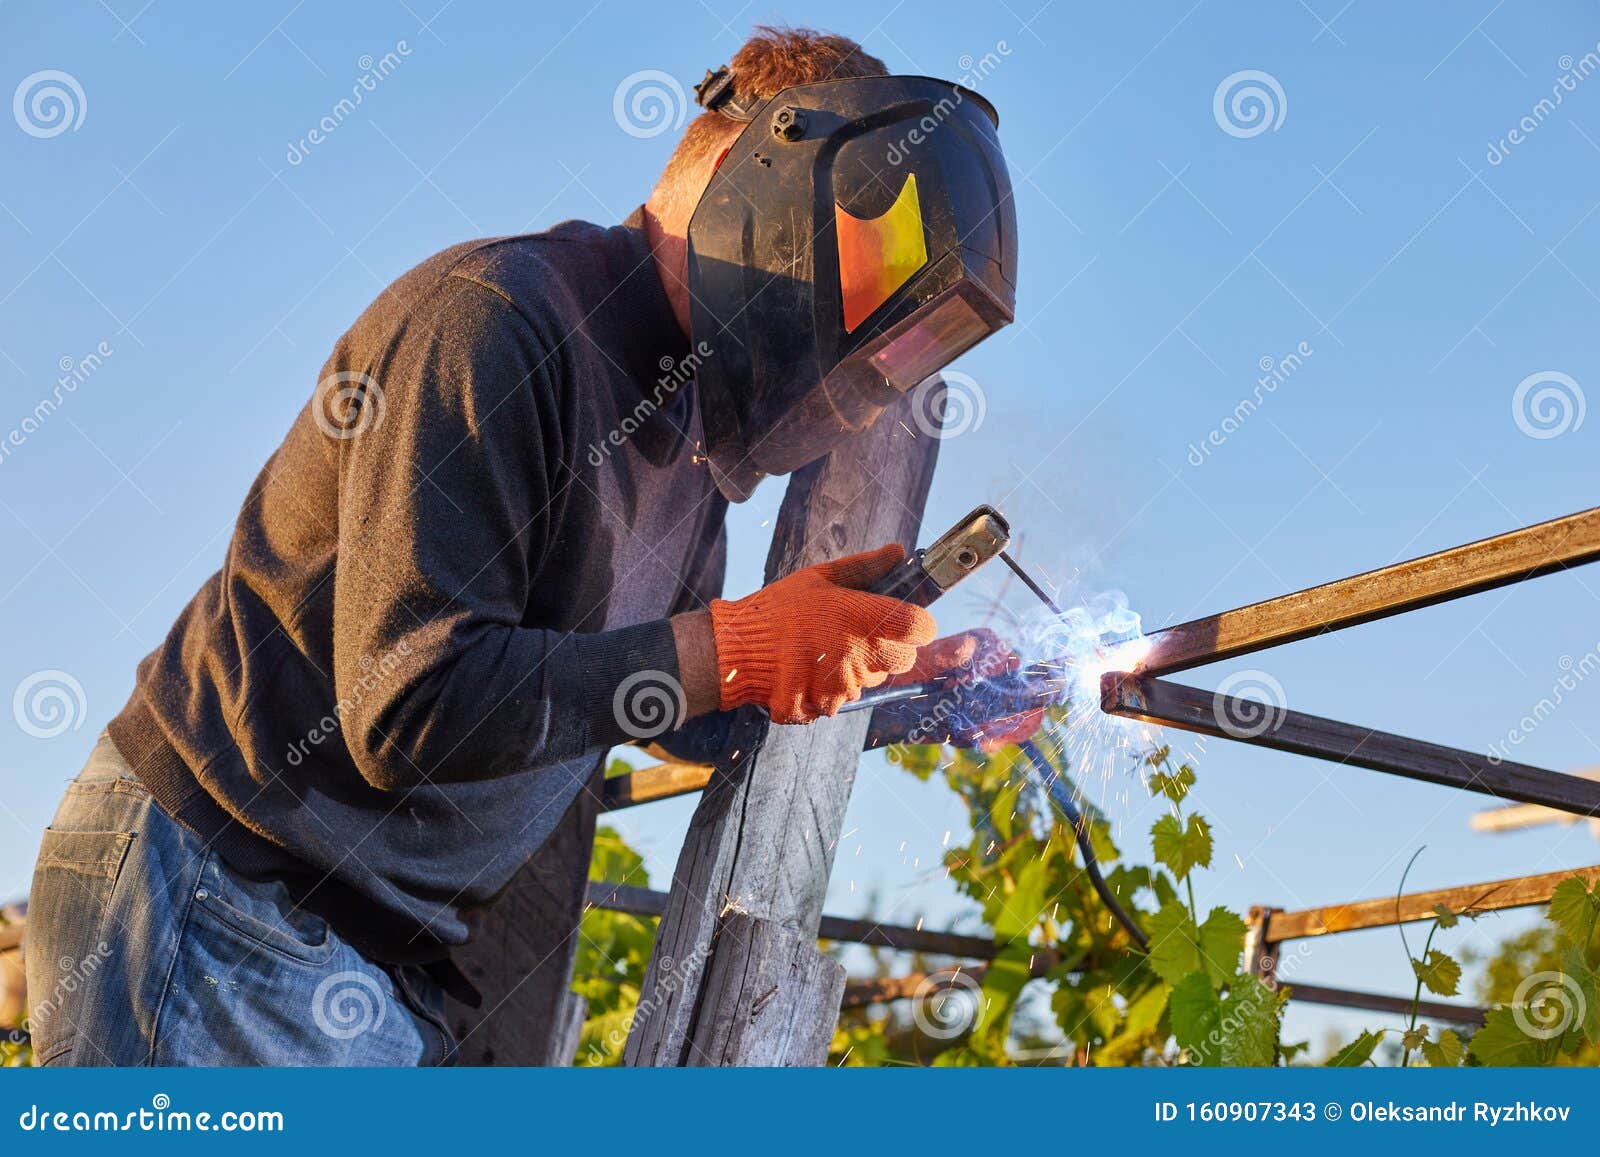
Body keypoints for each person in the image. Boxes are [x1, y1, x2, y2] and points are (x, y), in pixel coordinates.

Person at [25, 26, 1035, 1066]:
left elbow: (656, 704)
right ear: (757, 189)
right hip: (229, 891)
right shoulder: (499, 321)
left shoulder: (685, 438)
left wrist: (889, 682)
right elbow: (407, 701)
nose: (860, 394)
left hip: (369, 961)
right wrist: (738, 642)